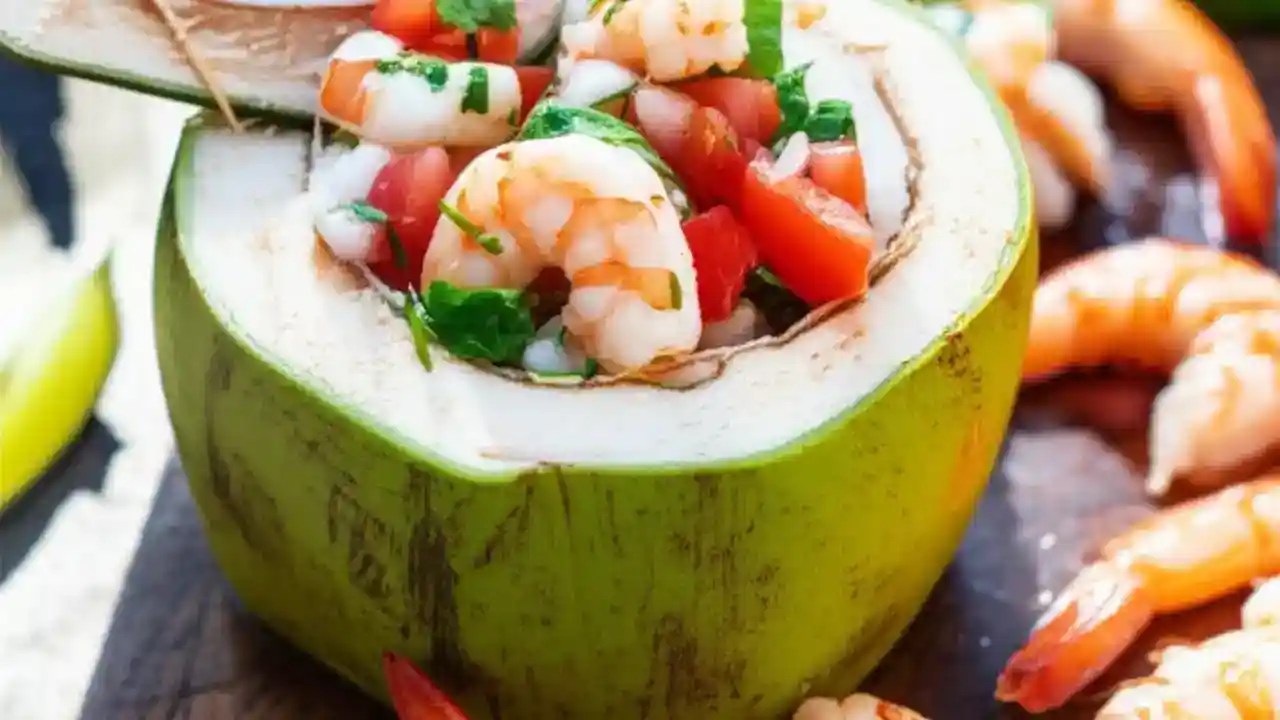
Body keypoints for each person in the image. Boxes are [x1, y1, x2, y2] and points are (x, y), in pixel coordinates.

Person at [0, 56, 75, 250]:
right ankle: (61, 232)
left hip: (21, 111)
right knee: (44, 166)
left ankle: (61, 232)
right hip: (31, 107)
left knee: (38, 166)